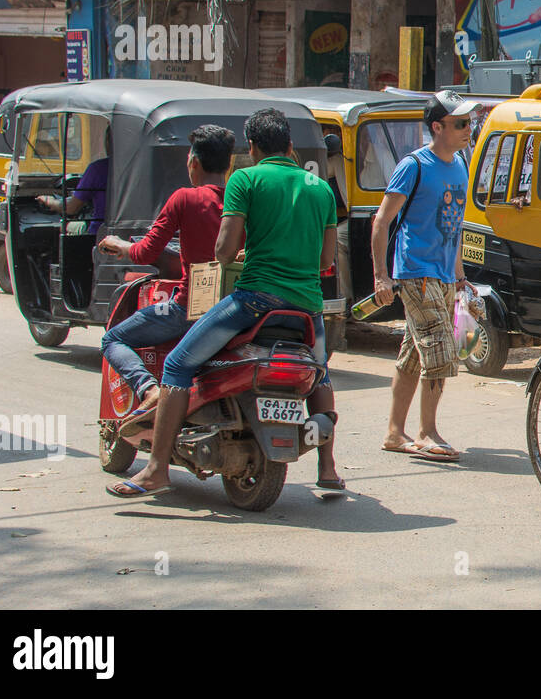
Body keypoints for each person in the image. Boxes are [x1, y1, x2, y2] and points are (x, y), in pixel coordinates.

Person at [107, 109, 342, 498]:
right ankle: (329, 469)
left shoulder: (244, 180)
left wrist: (247, 252)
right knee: (320, 372)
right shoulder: (320, 189)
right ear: (288, 144)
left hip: (253, 302)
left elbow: (224, 250)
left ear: (251, 147)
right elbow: (324, 261)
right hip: (306, 309)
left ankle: (156, 469)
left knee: (178, 364)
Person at [372, 89, 479, 463]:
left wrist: (460, 275)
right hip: (416, 274)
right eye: (460, 123)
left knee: (413, 357)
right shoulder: (413, 165)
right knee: (440, 354)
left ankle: (394, 433)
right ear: (437, 127)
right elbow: (382, 221)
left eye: (469, 122)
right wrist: (381, 277)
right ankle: (426, 432)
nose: (469, 128)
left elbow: (455, 225)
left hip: (444, 277)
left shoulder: (461, 164)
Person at [98, 125, 235, 414]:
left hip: (188, 310)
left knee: (113, 338)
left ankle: (148, 388)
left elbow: (147, 251)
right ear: (229, 164)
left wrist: (120, 245)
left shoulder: (184, 198)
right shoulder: (241, 200)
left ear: (193, 162)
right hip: (236, 310)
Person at [37, 127, 110, 235]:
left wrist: (50, 202)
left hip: (100, 233)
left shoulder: (98, 169)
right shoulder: (141, 170)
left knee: (65, 226)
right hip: (133, 236)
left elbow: (71, 208)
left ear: (108, 141)